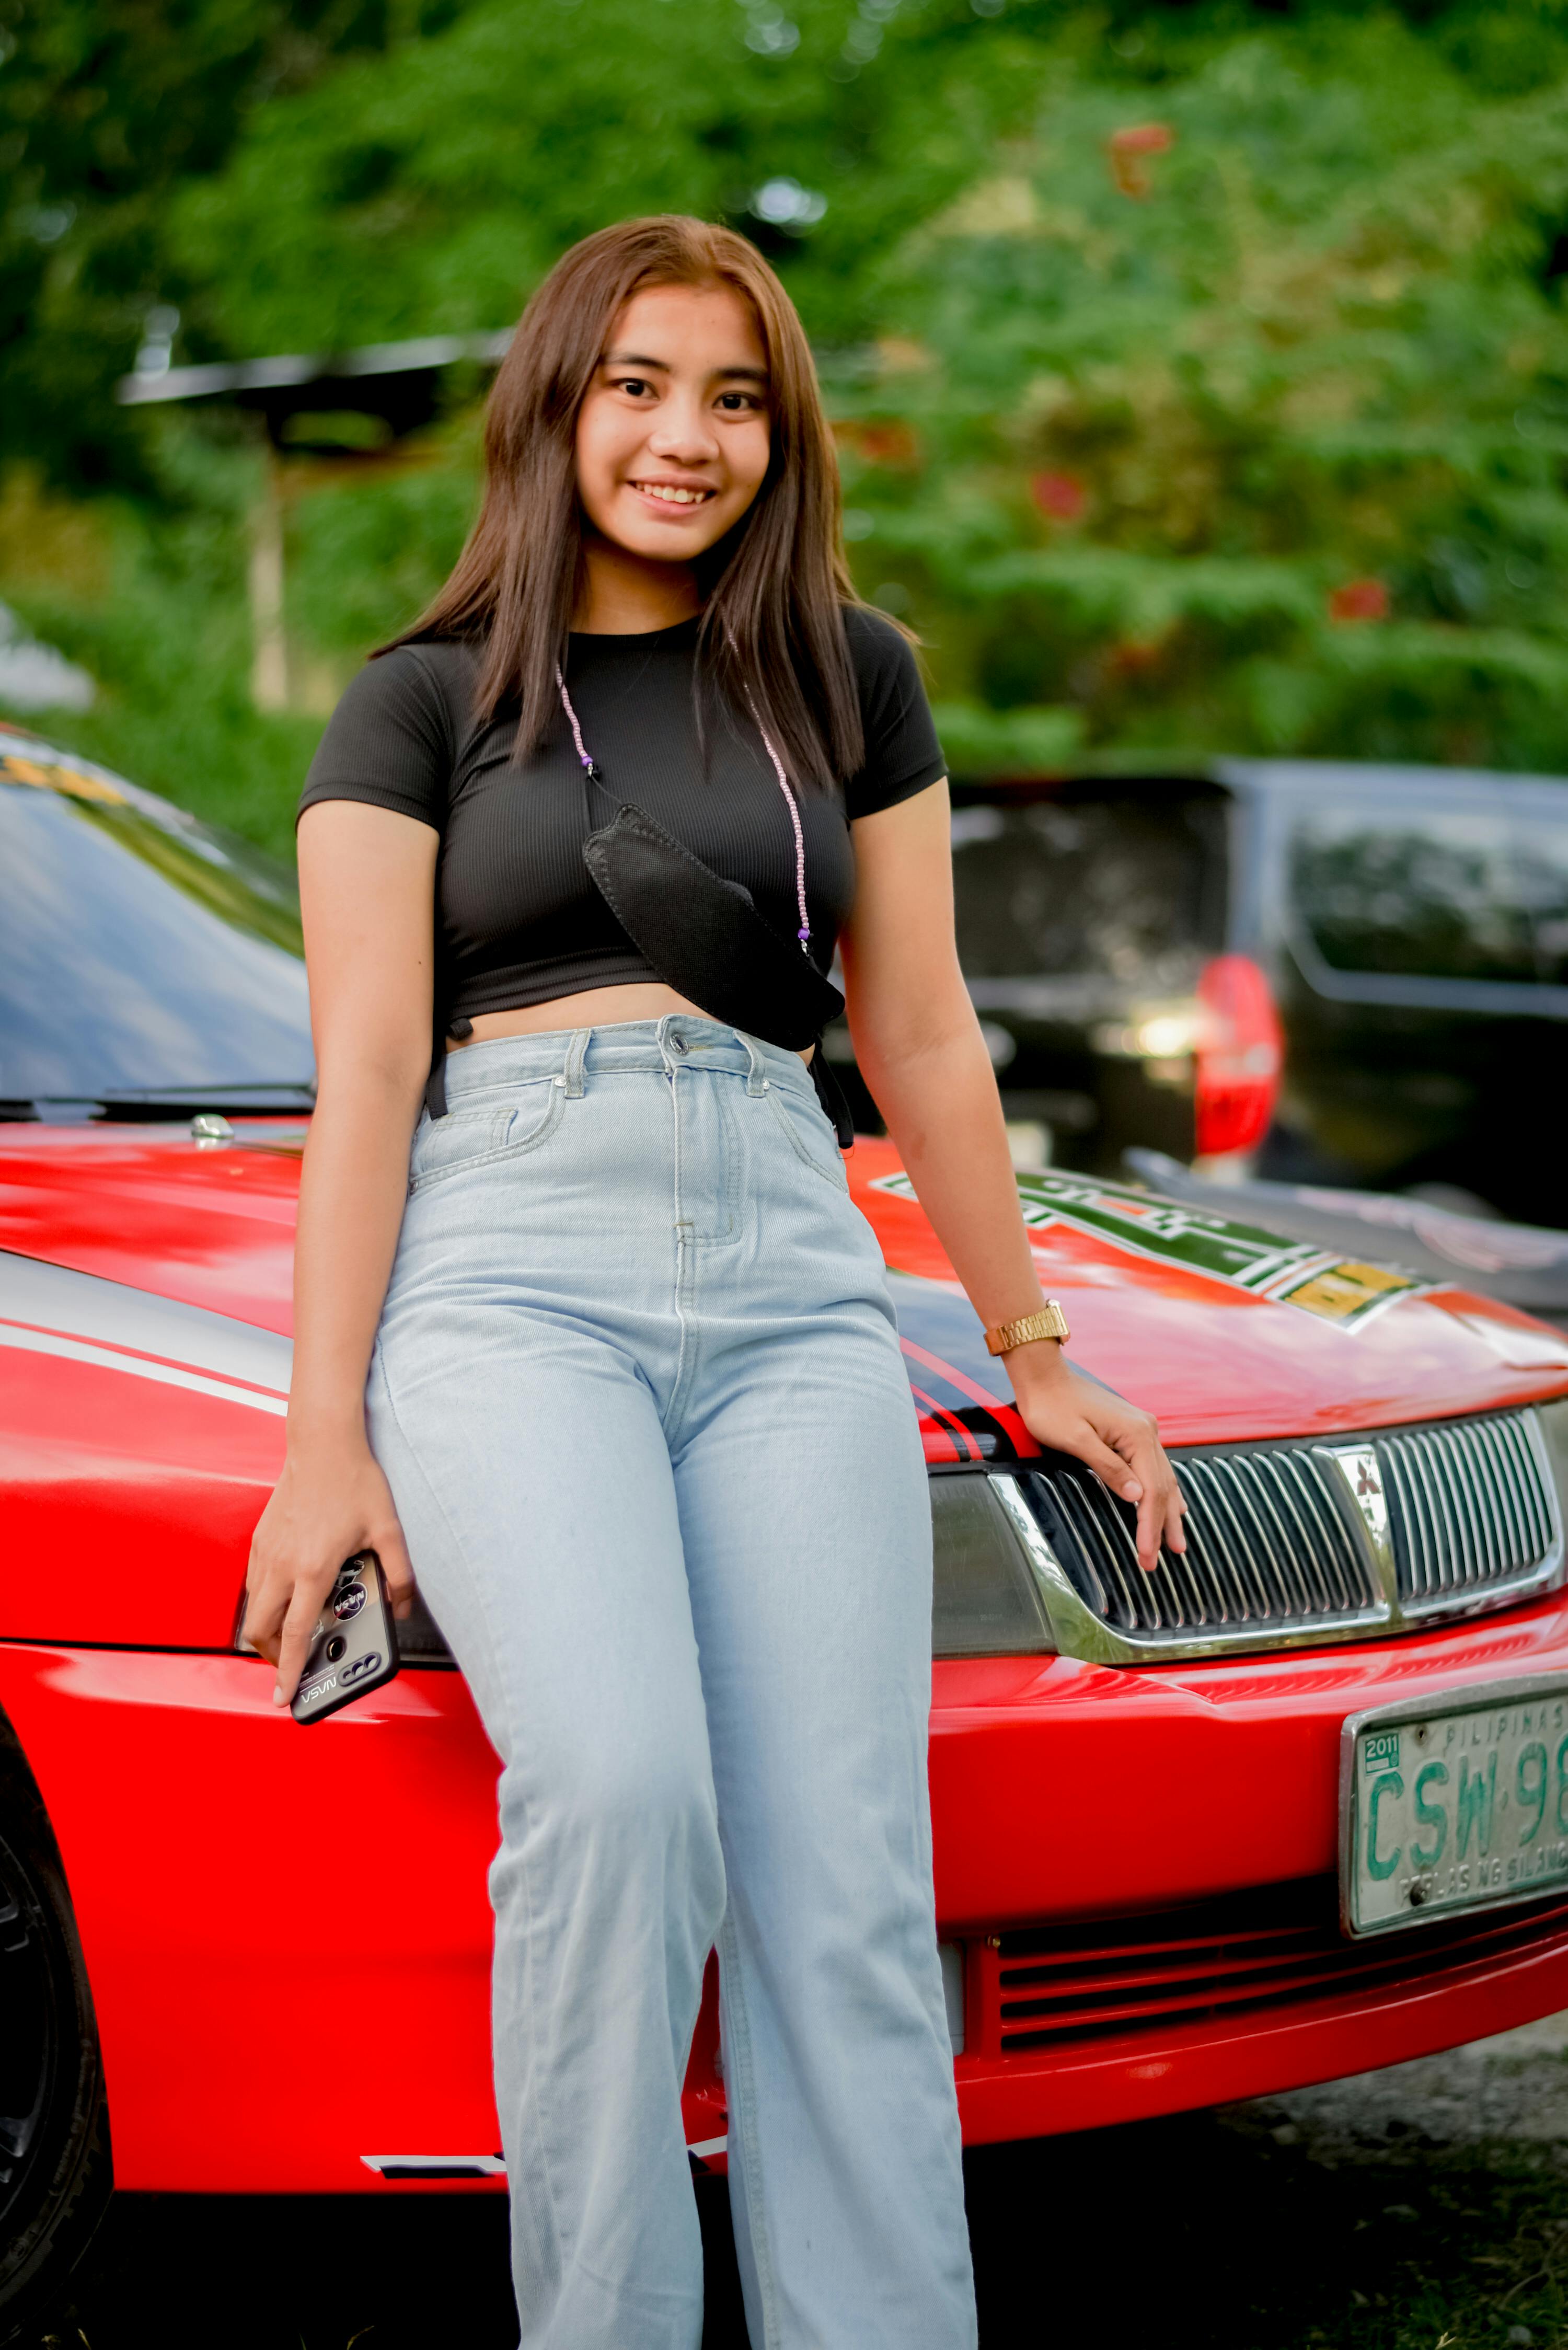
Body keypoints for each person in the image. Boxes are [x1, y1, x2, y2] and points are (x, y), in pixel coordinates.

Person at [244, 214, 1185, 2350]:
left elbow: (923, 1031)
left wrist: (1035, 1343)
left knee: (844, 1879)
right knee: (621, 1796)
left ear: (784, 431)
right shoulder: (414, 702)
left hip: (784, 1265)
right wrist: (324, 1439)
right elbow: (369, 1074)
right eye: (641, 385)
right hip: (514, 1272)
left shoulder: (850, 674)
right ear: (558, 400)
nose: (688, 437)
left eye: (737, 395)